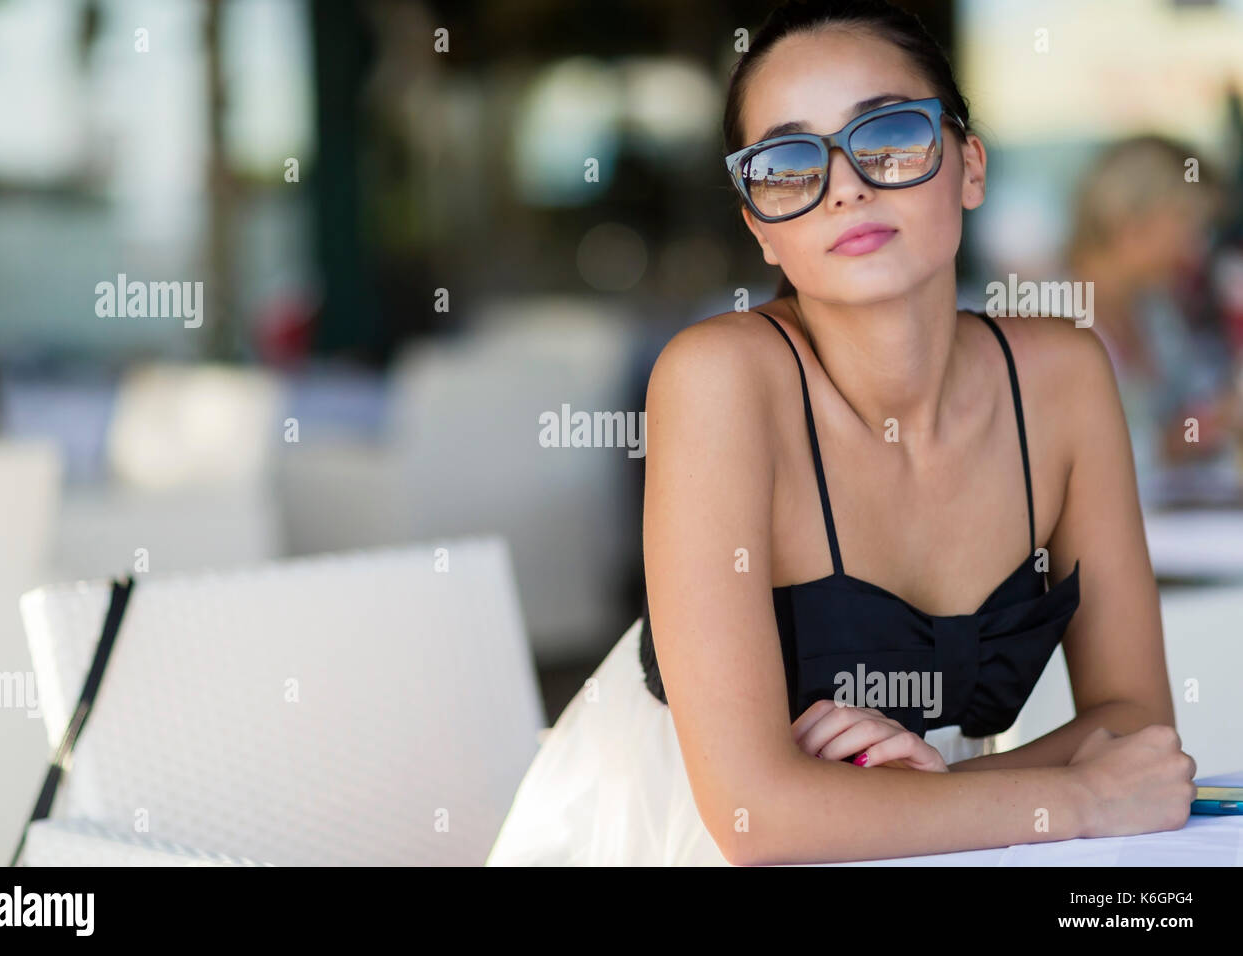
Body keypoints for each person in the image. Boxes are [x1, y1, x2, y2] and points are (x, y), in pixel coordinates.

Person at [487, 0, 1194, 867]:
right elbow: (756, 819)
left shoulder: (1066, 379)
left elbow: (1136, 725)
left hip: (936, 837)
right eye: (787, 163)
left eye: (888, 135)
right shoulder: (719, 381)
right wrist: (1074, 799)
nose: (847, 184)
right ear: (760, 228)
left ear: (969, 166)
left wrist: (929, 798)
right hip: (670, 835)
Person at [1064, 136, 1243, 503]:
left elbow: (1193, 406)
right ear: (1132, 222)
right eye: (1188, 226)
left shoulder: (1156, 311)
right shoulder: (1043, 319)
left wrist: (1213, 419)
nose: (1196, 248)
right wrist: (1173, 443)